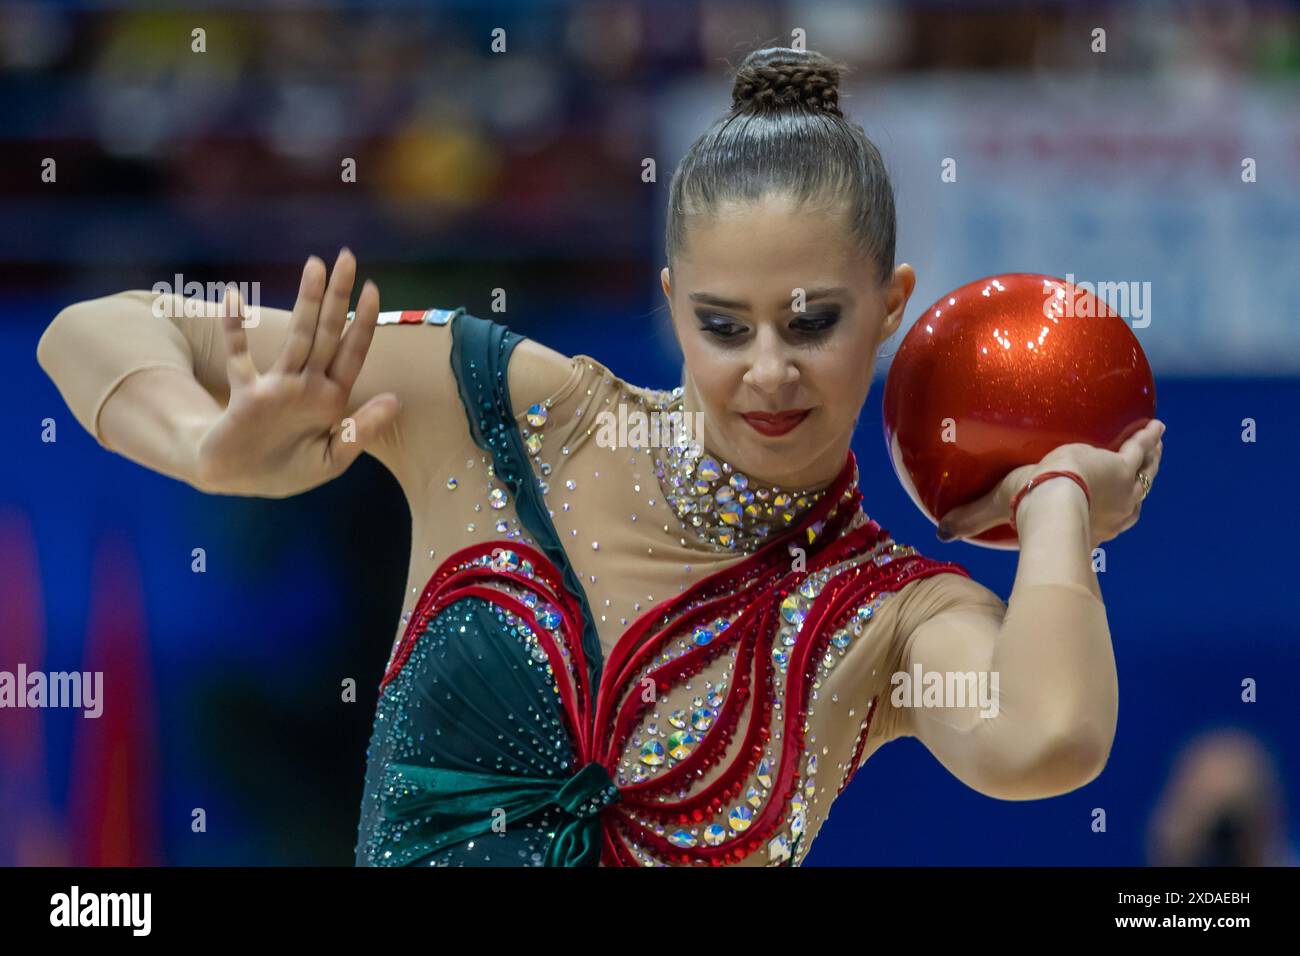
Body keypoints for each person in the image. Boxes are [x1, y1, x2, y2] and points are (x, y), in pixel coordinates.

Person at [36, 46, 1164, 867]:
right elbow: (86, 331)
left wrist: (1054, 495)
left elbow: (1049, 737)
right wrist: (203, 447)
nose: (767, 369)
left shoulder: (883, 616)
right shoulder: (507, 410)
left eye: (814, 322)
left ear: (888, 309)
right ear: (672, 307)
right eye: (725, 325)